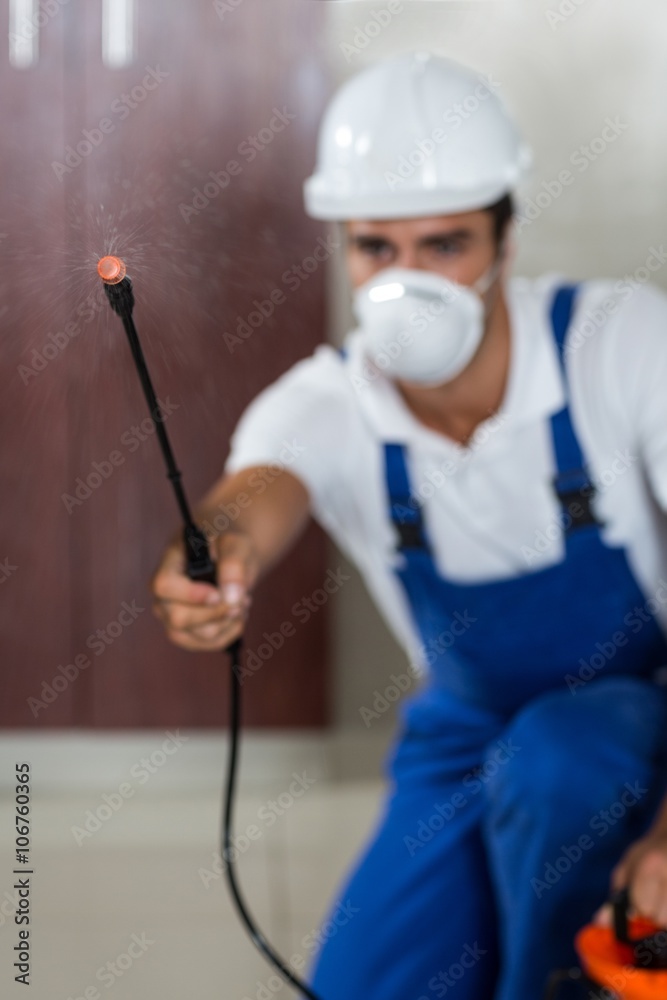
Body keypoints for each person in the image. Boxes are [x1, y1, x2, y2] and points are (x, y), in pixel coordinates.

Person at [151, 52, 667, 1000]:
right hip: (468, 736)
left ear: (504, 243)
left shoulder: (622, 345)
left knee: (558, 767)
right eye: (374, 249)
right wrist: (216, 551)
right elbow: (256, 489)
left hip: (635, 727)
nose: (404, 280)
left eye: (443, 246)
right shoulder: (329, 403)